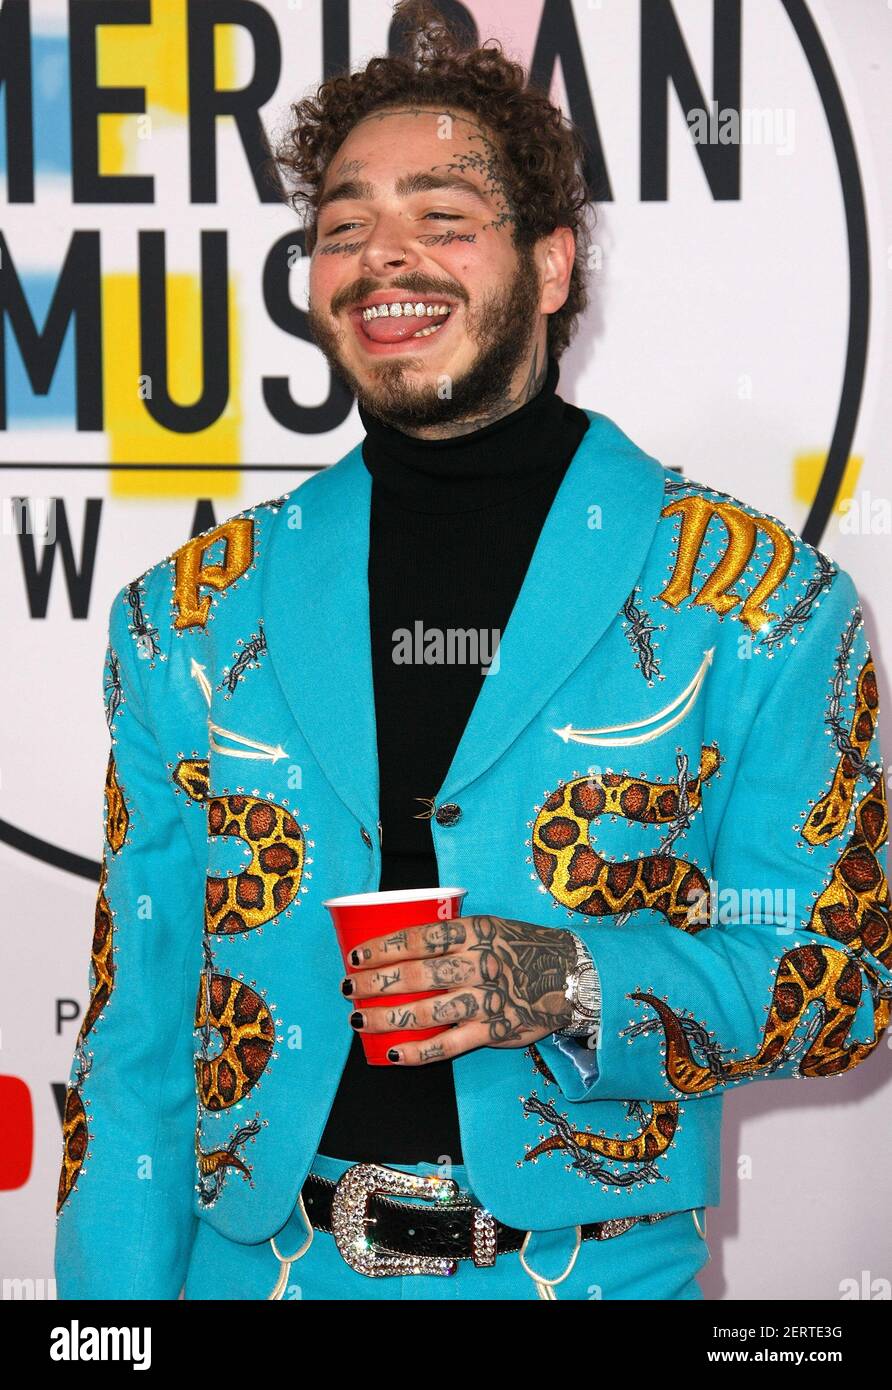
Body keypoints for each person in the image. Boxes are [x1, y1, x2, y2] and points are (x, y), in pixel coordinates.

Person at [54, 0, 891, 1300]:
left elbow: (849, 979)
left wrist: (567, 976)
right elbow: (137, 1045)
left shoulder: (765, 606)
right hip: (249, 1275)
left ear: (553, 268)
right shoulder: (187, 620)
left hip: (594, 1277)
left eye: (443, 219)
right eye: (344, 228)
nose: (386, 258)